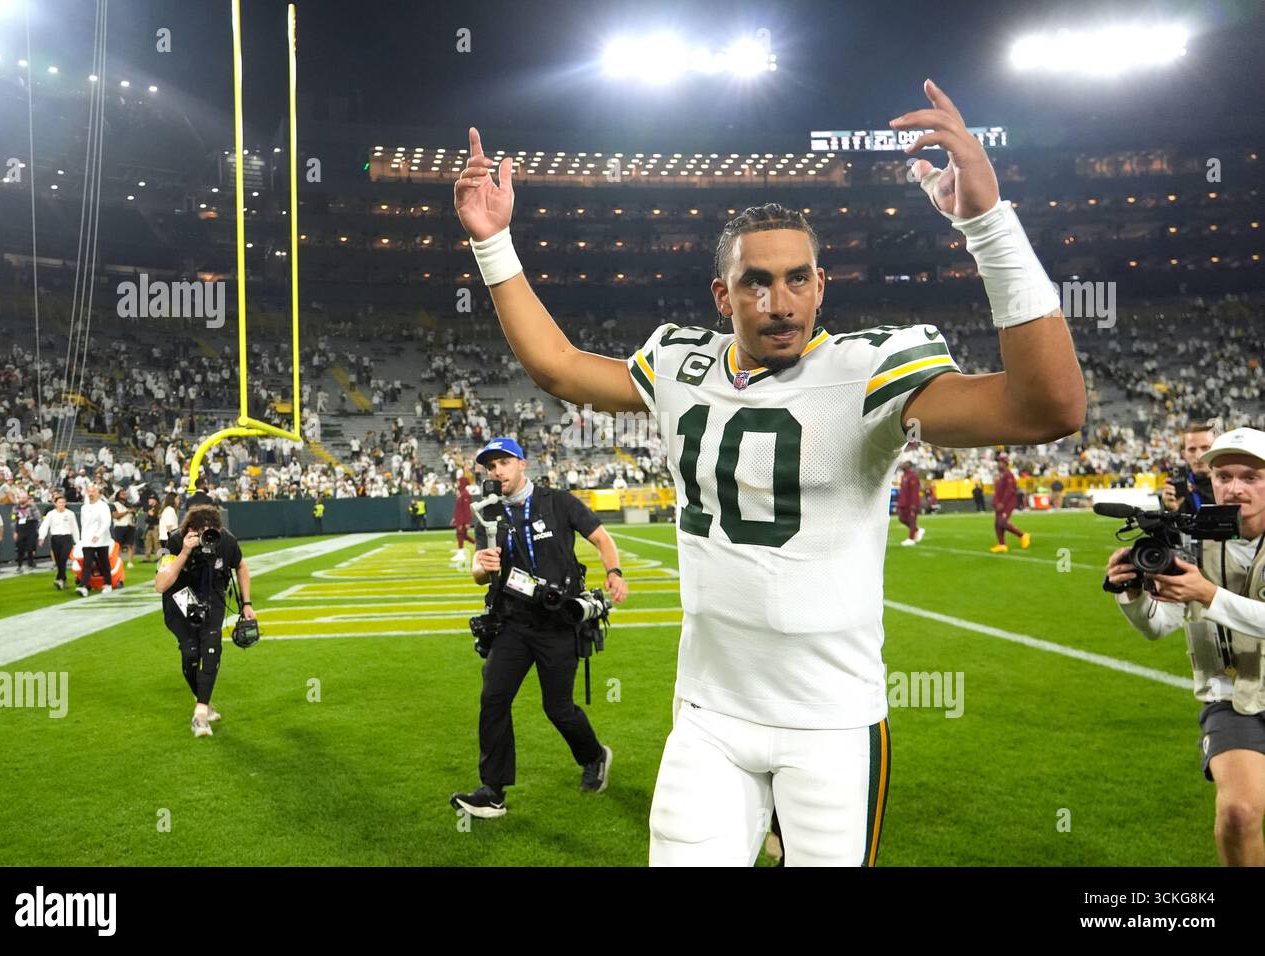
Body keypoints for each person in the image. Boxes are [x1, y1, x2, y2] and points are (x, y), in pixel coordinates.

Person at [454, 78, 1086, 865]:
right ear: (724, 295)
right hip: (709, 716)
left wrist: (986, 224)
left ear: (822, 286)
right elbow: (557, 367)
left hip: (831, 720)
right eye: (757, 281)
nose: (779, 300)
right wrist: (492, 242)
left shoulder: (869, 371)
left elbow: (1048, 408)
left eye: (797, 278)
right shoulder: (681, 363)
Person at [1105, 427, 1265, 866]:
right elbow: (1159, 626)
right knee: (1238, 812)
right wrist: (1133, 596)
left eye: (1251, 477)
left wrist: (1207, 595)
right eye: (1224, 475)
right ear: (1210, 479)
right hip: (1235, 694)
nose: (1235, 487)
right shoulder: (1192, 545)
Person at [450, 437, 629, 818]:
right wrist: (482, 565)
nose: (496, 472)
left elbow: (600, 537)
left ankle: (594, 756)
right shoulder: (489, 512)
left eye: (503, 463)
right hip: (512, 623)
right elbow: (478, 574)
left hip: (558, 622)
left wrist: (613, 571)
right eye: (490, 466)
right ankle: (492, 792)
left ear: (521, 463)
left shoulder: (557, 501)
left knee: (558, 707)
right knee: (494, 698)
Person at [154, 503, 256, 738]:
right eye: (202, 530)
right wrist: (185, 552)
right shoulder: (175, 541)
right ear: (190, 529)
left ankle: (200, 714)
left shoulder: (227, 541)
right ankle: (204, 702)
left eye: (213, 529)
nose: (208, 535)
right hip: (183, 597)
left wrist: (246, 603)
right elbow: (161, 585)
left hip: (212, 594)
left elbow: (240, 565)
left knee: (211, 648)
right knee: (191, 652)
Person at [1162, 422, 1218, 515]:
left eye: (1205, 448)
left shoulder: (1231, 484)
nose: (1199, 456)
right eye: (1192, 449)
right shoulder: (1178, 490)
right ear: (1184, 455)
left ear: (1216, 450)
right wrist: (1171, 511)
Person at [75, 483, 113, 597]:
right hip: (87, 540)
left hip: (102, 540)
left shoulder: (103, 506)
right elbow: (83, 524)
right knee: (87, 563)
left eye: (93, 491)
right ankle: (83, 586)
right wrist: (82, 539)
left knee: (104, 562)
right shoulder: (84, 507)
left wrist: (98, 534)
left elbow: (106, 522)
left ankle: (108, 584)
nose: (91, 494)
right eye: (89, 491)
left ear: (98, 493)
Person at [37, 494, 79, 590]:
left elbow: (74, 528)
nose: (62, 504)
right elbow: (45, 525)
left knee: (63, 558)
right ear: (55, 504)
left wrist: (77, 541)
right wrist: (41, 537)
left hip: (67, 538)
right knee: (58, 560)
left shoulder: (70, 514)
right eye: (59, 502)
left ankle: (59, 578)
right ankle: (62, 579)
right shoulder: (51, 514)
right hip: (55, 538)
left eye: (63, 502)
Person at [990, 453, 1029, 553]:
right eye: (998, 462)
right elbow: (998, 491)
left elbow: (1010, 491)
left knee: (1002, 522)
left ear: (1005, 463)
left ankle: (1022, 535)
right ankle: (1002, 544)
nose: (998, 464)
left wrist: (1002, 503)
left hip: (1007, 502)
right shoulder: (1001, 475)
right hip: (1000, 503)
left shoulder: (1008, 475)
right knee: (997, 524)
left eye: (1000, 462)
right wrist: (995, 501)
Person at [897, 460, 924, 546]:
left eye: (904, 464)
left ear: (908, 466)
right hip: (903, 502)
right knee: (901, 518)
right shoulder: (903, 476)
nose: (902, 465)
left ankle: (911, 539)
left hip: (911, 503)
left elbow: (914, 492)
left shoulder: (913, 476)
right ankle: (917, 530)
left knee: (912, 521)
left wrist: (914, 505)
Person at [12, 492, 41, 573]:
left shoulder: (32, 506)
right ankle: (19, 565)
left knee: (30, 547)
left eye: (24, 498)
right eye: (21, 498)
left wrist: (38, 529)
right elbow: (13, 520)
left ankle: (30, 564)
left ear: (27, 498)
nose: (22, 499)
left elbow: (38, 518)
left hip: (30, 528)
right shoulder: (15, 507)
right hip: (20, 529)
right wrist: (15, 531)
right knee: (20, 548)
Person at [111, 489, 137, 570]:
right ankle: (118, 561)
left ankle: (130, 562)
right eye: (122, 494)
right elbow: (116, 516)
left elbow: (134, 515)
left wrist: (134, 518)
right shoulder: (114, 505)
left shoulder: (129, 505)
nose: (124, 495)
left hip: (130, 526)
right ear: (118, 495)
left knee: (131, 545)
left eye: (125, 494)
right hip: (119, 526)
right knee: (118, 546)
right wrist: (127, 511)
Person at [451, 473, 473, 568]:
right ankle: (474, 544)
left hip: (462, 519)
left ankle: (461, 553)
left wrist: (467, 521)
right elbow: (458, 508)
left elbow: (467, 509)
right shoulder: (461, 493)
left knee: (461, 535)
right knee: (462, 535)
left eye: (459, 481)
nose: (457, 483)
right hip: (459, 519)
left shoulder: (465, 494)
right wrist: (455, 518)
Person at [142, 494, 161, 560]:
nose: (149, 500)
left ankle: (158, 557)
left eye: (150, 499)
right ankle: (147, 557)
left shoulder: (159, 507)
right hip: (149, 526)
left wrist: (153, 515)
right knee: (147, 541)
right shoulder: (149, 508)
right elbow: (147, 518)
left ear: (155, 500)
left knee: (156, 542)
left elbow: (160, 517)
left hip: (156, 526)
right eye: (149, 499)